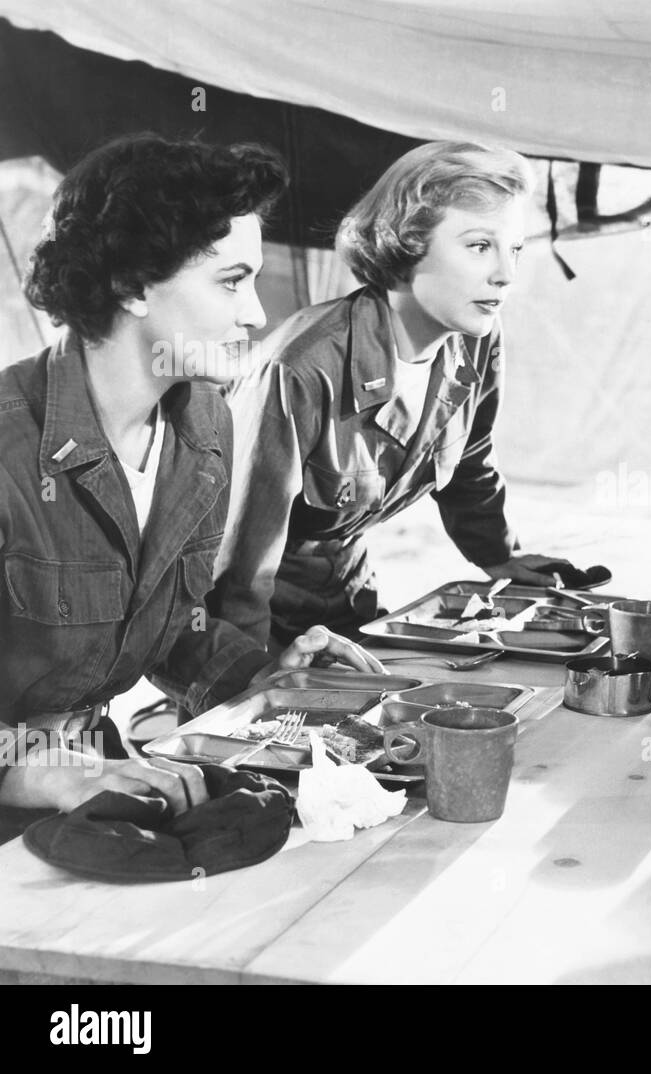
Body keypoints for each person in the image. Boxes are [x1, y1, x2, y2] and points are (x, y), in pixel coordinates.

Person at [0, 133, 383, 817]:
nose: (257, 313)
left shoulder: (203, 426)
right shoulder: (9, 449)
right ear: (131, 284)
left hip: (96, 778)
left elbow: (172, 624)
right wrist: (43, 773)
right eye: (231, 280)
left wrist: (264, 673)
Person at [211, 141, 575, 649]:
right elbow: (236, 565)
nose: (506, 274)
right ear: (407, 244)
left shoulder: (477, 336)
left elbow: (468, 460)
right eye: (478, 246)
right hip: (250, 625)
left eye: (513, 249)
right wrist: (249, 678)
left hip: (347, 598)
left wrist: (499, 555)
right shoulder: (299, 369)